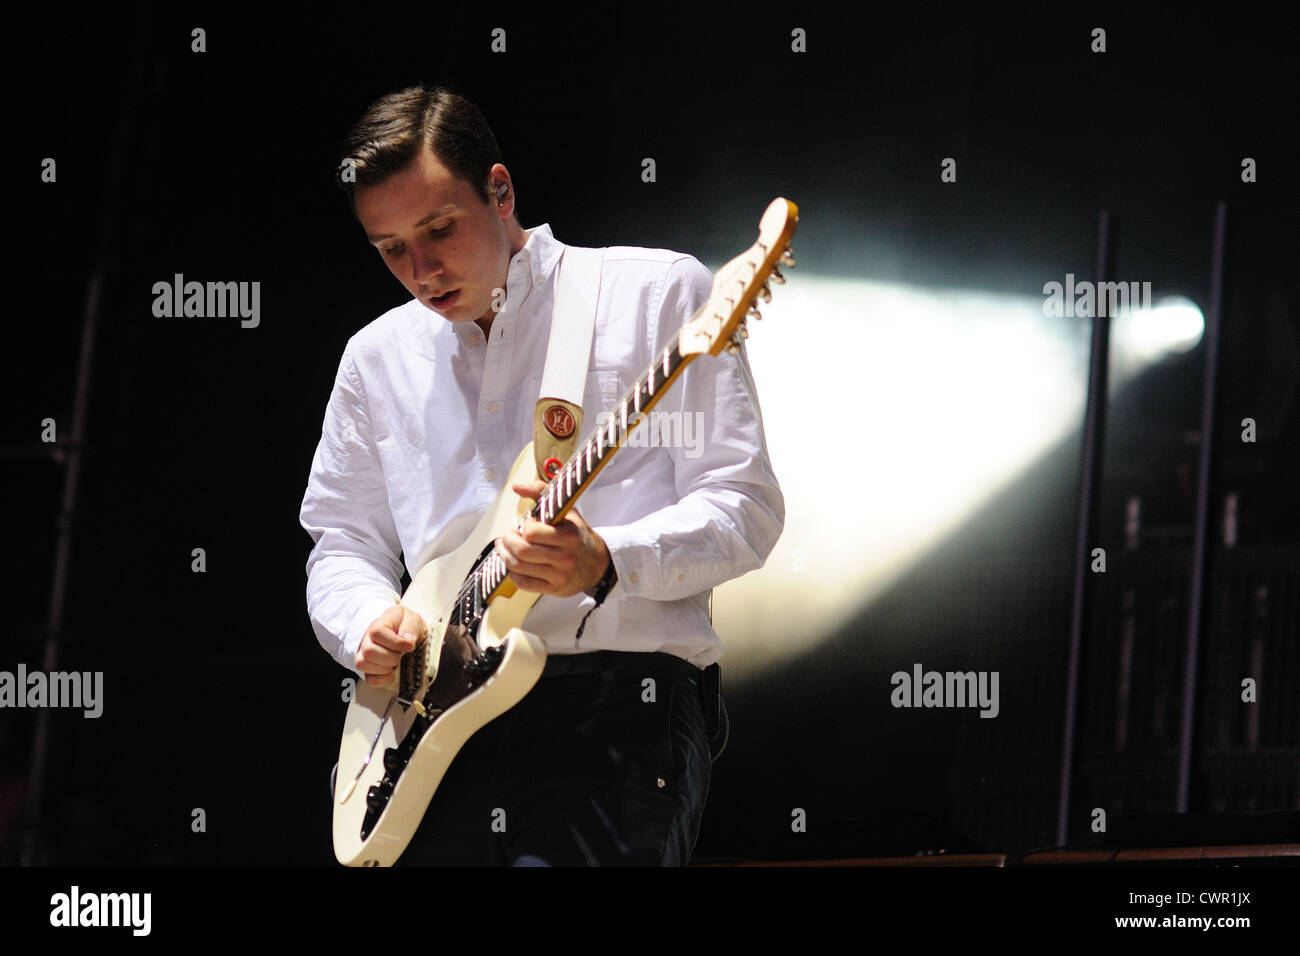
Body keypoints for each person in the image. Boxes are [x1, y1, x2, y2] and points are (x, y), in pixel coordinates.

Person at [299, 84, 783, 865]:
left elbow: (745, 506)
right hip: (428, 720)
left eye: (439, 229)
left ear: (500, 191)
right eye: (391, 249)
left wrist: (606, 559)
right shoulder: (375, 357)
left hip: (613, 703)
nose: (422, 270)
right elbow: (342, 540)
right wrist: (364, 622)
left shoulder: (658, 293)